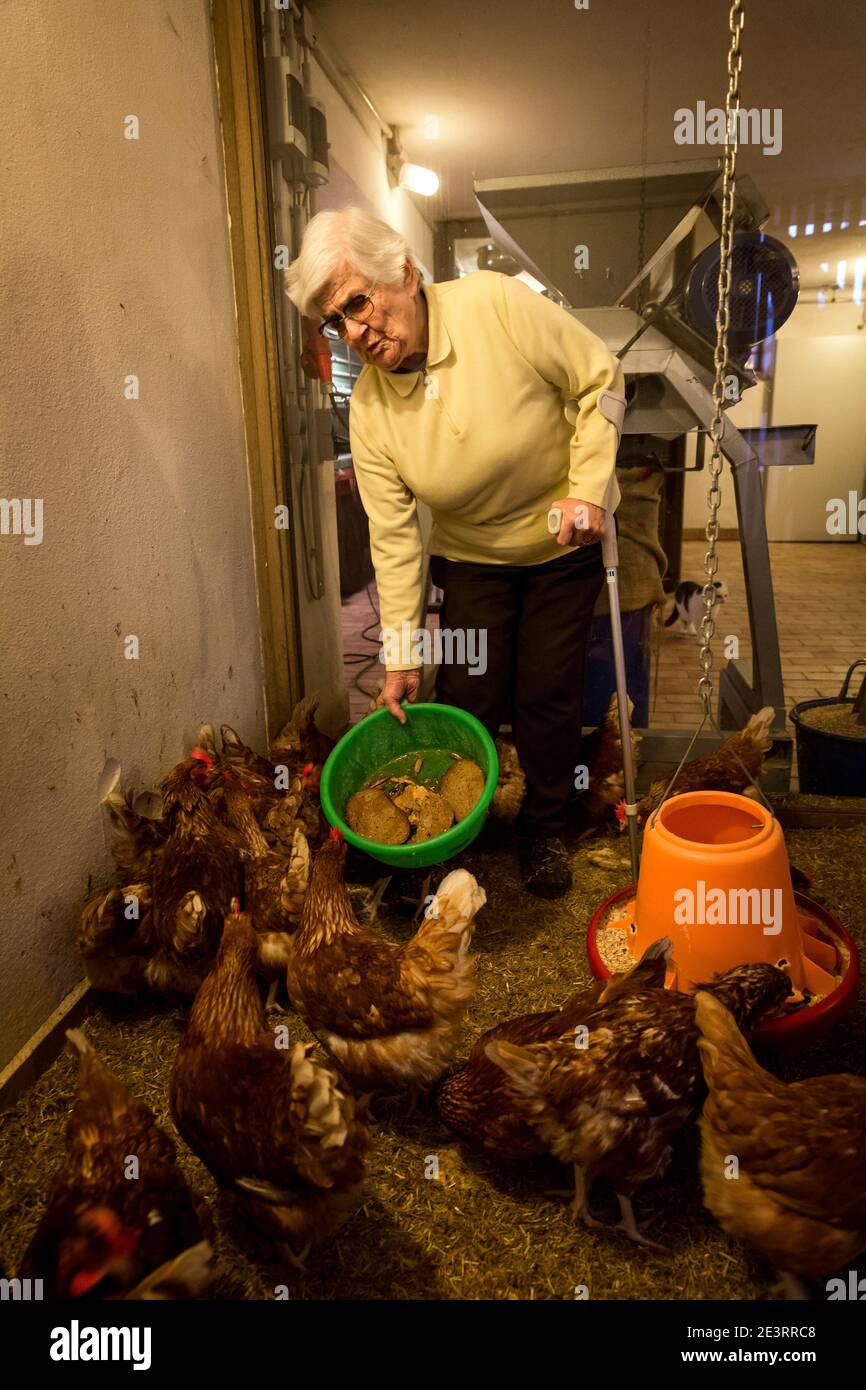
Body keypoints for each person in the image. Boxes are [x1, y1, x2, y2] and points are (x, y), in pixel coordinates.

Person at [285, 207, 625, 898]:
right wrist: (402, 655)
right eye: (336, 322)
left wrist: (588, 489)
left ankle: (544, 828)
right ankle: (458, 829)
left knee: (546, 698)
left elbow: (602, 378)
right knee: (469, 695)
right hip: (471, 558)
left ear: (405, 273)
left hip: (563, 543)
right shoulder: (372, 408)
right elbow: (394, 536)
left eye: (357, 303)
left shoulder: (495, 306)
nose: (353, 332)